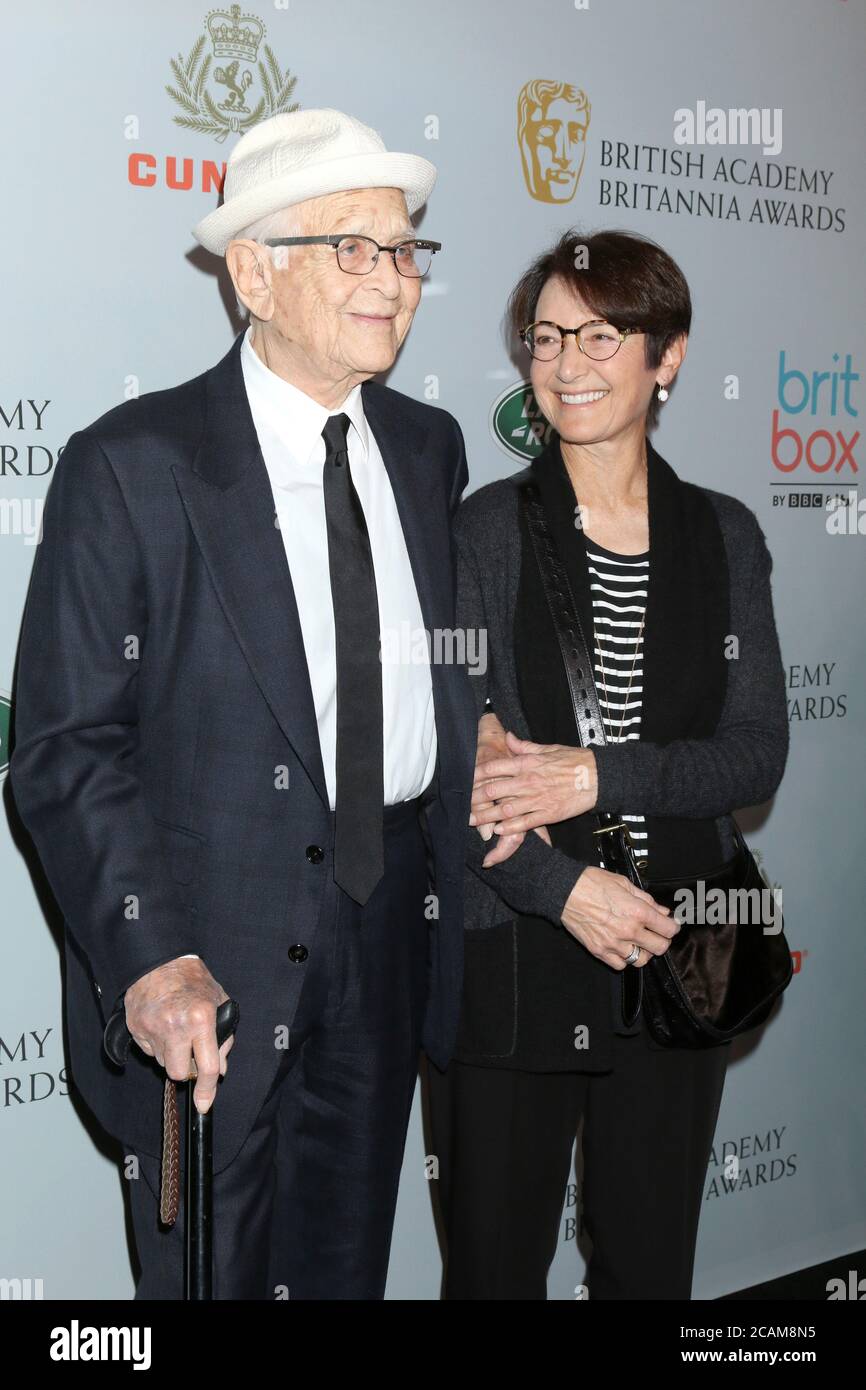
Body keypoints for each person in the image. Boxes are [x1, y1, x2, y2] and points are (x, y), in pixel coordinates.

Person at [10, 108, 476, 1300]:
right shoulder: (133, 464)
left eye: (404, 248)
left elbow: (426, 677)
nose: (393, 280)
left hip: (384, 944)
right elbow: (65, 746)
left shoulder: (427, 449)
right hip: (203, 972)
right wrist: (152, 957)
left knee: (344, 1273)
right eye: (352, 249)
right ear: (255, 274)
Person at [426, 229, 789, 1300]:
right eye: (544, 337)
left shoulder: (722, 536)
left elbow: (753, 749)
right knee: (491, 1272)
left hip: (674, 953)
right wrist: (562, 886)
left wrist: (597, 776)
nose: (566, 361)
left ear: (665, 354)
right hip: (510, 956)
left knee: (646, 1270)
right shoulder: (482, 533)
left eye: (599, 333)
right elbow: (452, 766)